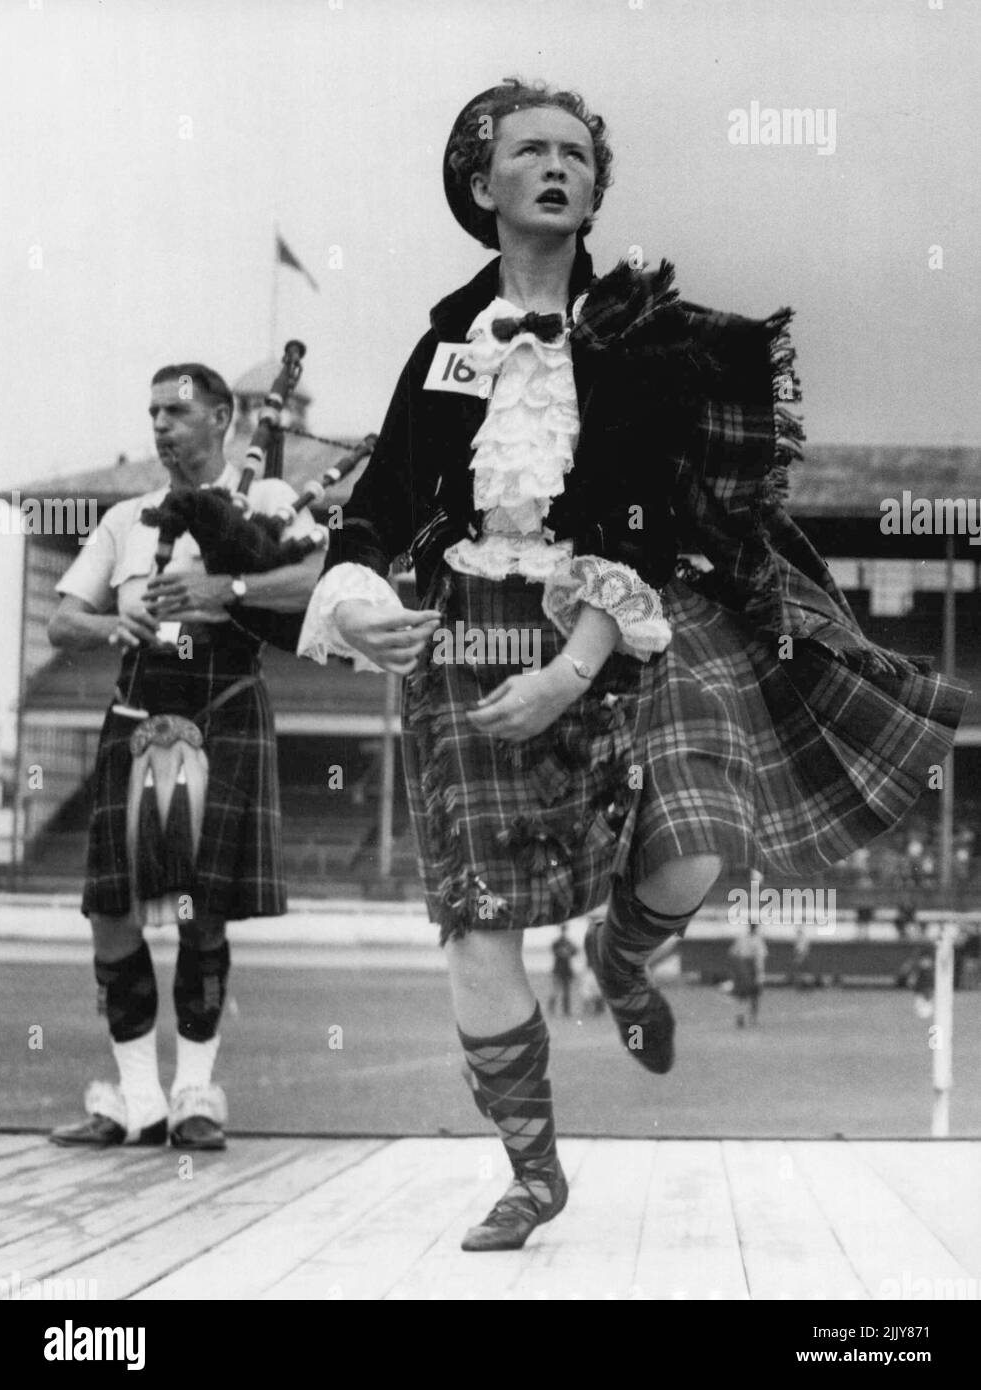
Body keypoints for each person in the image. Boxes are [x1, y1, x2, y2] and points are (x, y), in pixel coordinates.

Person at [298, 78, 967, 1250]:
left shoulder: (642, 342)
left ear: (597, 188)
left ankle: (622, 954)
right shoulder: (443, 343)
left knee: (698, 837)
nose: (558, 167)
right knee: (480, 915)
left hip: (631, 614)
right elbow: (384, 503)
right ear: (480, 182)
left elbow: (646, 526)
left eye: (577, 154)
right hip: (472, 630)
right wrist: (356, 604)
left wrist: (574, 662)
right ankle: (532, 1169)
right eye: (530, 151)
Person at [47, 363, 322, 1151]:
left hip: (225, 707)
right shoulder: (127, 517)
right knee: (110, 913)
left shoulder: (267, 501)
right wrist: (115, 622)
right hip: (135, 713)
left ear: (223, 419)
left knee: (202, 915)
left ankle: (196, 1094)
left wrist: (222, 591)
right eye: (153, 412)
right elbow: (65, 621)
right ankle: (139, 1101)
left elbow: (312, 580)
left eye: (177, 411)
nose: (161, 425)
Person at [729, 922, 767, 1027]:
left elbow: (732, 952)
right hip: (751, 967)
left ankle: (741, 1015)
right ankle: (752, 1018)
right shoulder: (757, 940)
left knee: (742, 994)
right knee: (754, 994)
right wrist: (760, 974)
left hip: (742, 966)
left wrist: (738, 967)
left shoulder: (741, 938)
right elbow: (760, 958)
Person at [547, 923, 578, 1017]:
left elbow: (575, 951)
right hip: (558, 969)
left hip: (566, 970)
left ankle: (566, 1011)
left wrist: (567, 951)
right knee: (555, 990)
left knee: (566, 992)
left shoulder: (568, 942)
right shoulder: (557, 942)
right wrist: (565, 952)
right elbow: (555, 951)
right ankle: (552, 1009)